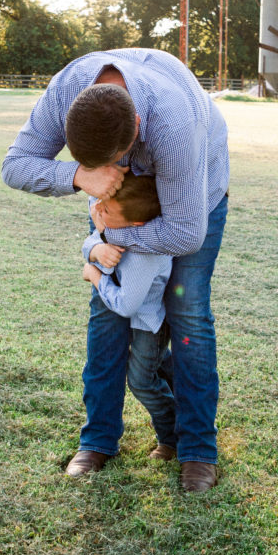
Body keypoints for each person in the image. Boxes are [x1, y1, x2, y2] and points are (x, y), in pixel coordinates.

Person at [1, 48, 229, 493]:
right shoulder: (67, 88)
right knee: (107, 314)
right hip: (120, 208)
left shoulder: (173, 123)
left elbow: (185, 234)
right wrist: (78, 177)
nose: (116, 169)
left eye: (119, 159)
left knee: (189, 315)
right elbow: (14, 165)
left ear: (138, 129)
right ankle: (99, 440)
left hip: (194, 199)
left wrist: (110, 241)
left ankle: (197, 450)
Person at [79, 174, 177, 462]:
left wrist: (96, 276)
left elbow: (124, 305)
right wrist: (96, 248)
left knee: (141, 381)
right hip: (140, 324)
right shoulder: (120, 228)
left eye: (106, 209)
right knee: (158, 369)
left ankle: (173, 436)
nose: (97, 209)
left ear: (135, 224)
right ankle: (178, 425)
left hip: (149, 326)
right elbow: (94, 239)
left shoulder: (143, 252)